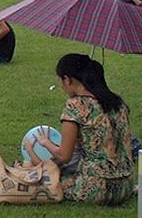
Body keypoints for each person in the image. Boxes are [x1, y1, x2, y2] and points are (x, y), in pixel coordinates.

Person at [26, 54, 134, 206]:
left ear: (67, 79)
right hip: (125, 186)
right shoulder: (117, 102)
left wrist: (46, 143)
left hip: (95, 189)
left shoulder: (75, 106)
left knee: (45, 179)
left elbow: (64, 156)